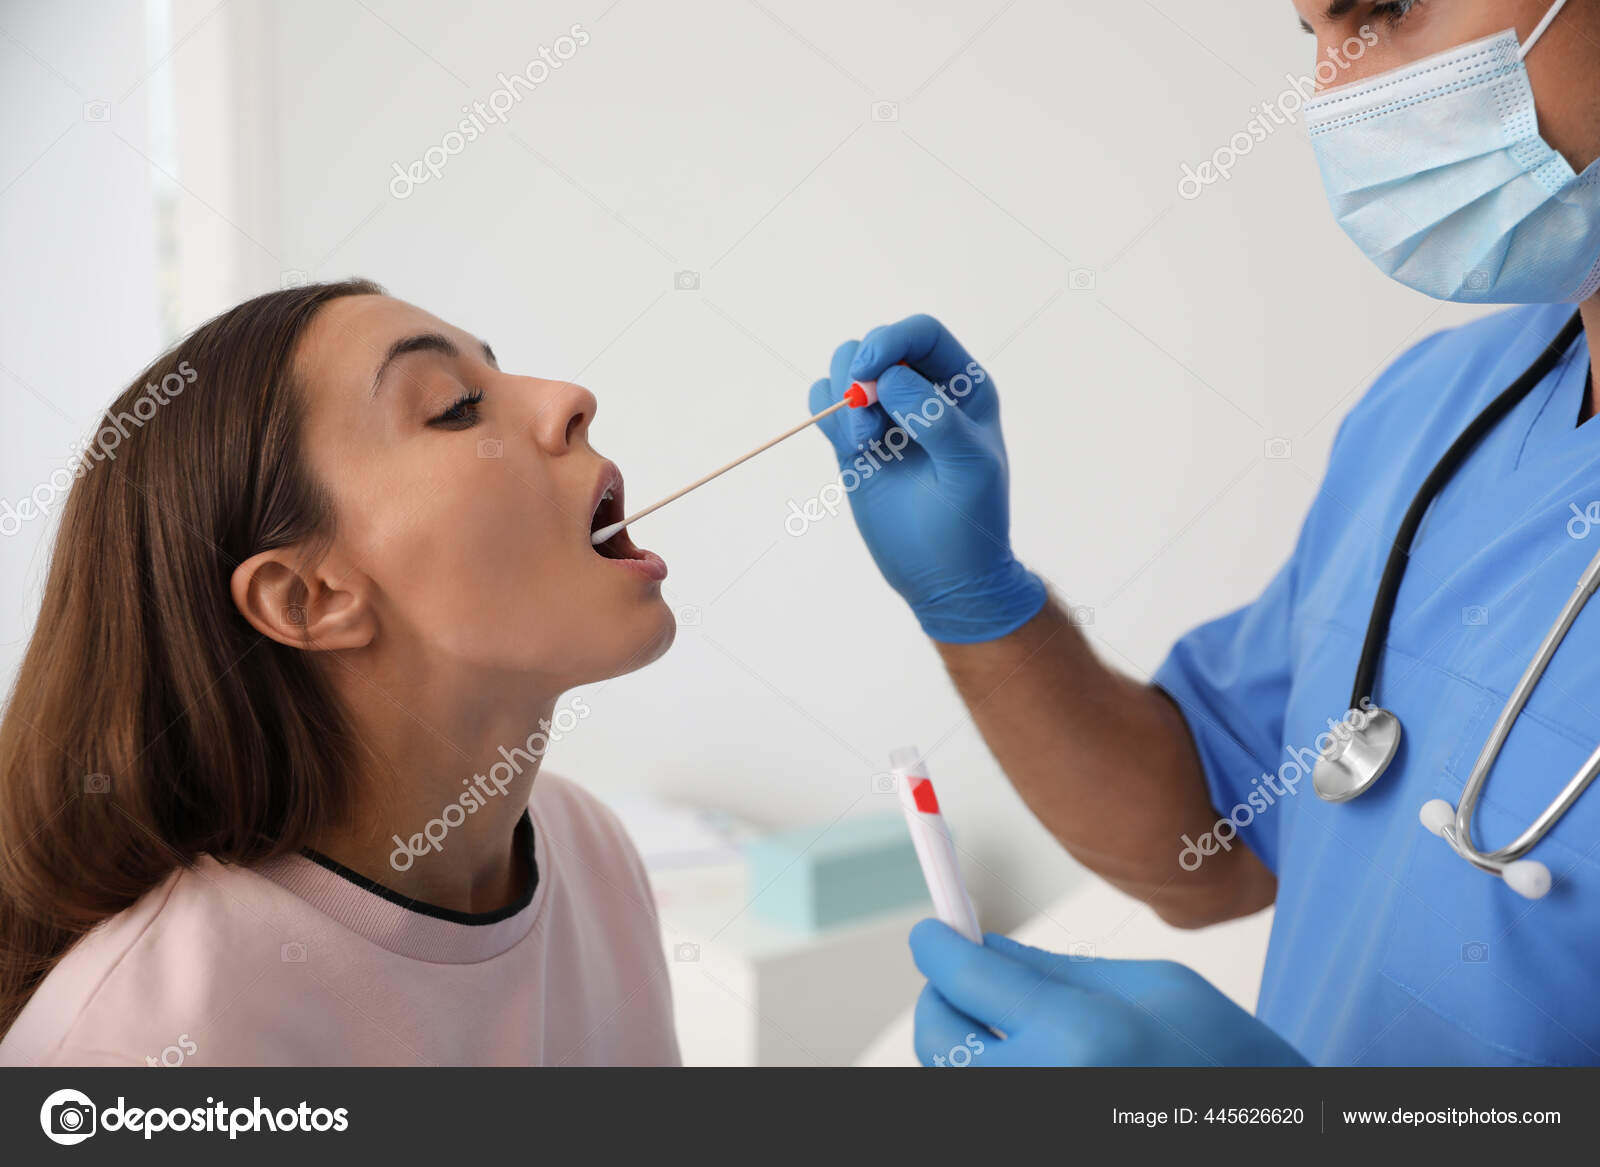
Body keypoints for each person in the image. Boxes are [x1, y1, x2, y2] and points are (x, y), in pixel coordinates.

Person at [809, 0, 1600, 1066]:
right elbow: (1208, 843)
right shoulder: (1437, 409)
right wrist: (979, 603)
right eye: (1314, 38)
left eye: (1388, 8)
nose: (1336, 92)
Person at [0, 280, 681, 1065]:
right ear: (308, 597)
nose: (570, 398)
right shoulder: (142, 1046)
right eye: (458, 407)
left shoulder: (590, 848)